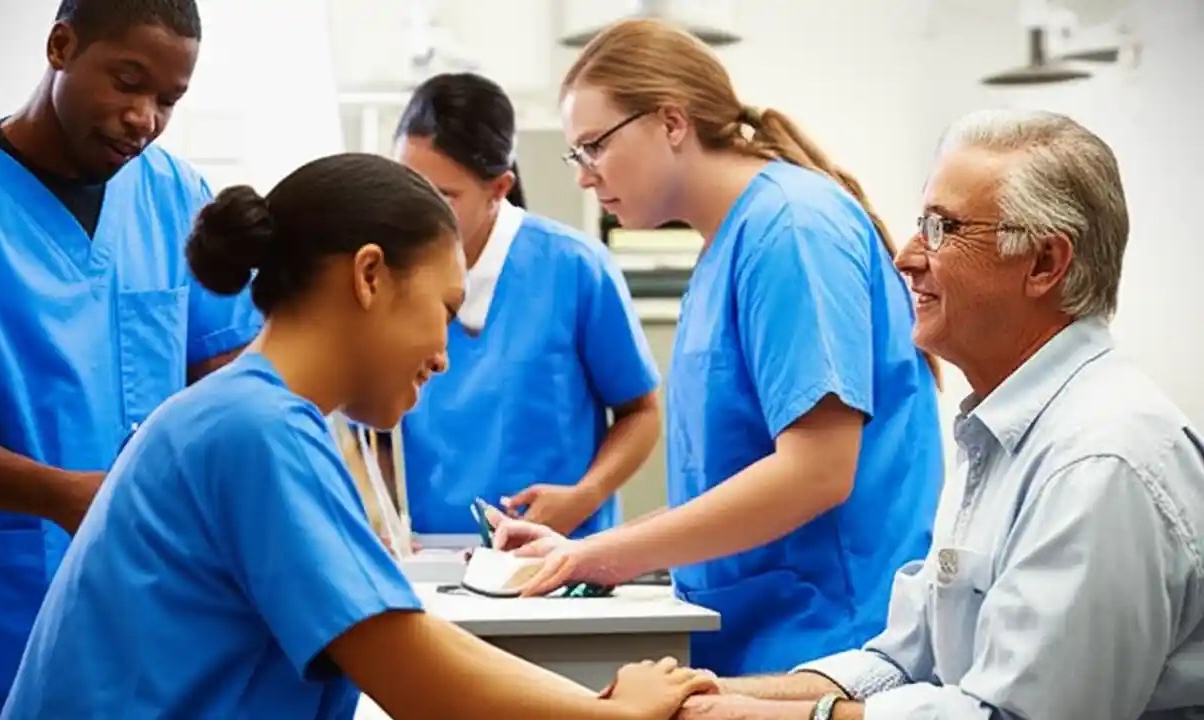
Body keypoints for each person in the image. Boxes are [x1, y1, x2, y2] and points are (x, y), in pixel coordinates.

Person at [0, 152, 715, 719]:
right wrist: (610, 717)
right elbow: (413, 675)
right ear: (370, 275)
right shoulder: (255, 430)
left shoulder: (243, 415)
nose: (443, 354)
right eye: (443, 308)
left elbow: (402, 633)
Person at [671, 110, 1204, 720]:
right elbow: (899, 664)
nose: (906, 257)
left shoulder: (1102, 464)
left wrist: (742, 715)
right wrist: (705, 694)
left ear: (1044, 263)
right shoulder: (1000, 436)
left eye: (943, 229)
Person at [487, 17, 945, 677]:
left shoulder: (792, 229)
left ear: (672, 123)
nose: (585, 176)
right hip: (755, 642)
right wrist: (589, 550)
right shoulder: (726, 245)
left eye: (593, 147)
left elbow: (816, 470)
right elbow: (732, 484)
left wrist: (612, 554)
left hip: (832, 645)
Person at [0, 1, 261, 717]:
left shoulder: (177, 197)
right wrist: (58, 495)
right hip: (8, 600)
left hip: (155, 589)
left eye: (168, 100)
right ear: (61, 46)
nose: (145, 117)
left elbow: (226, 368)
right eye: (127, 83)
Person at [392, 72, 662, 539]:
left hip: (561, 553)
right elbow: (372, 428)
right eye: (404, 186)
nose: (414, 212)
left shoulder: (574, 267)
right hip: (431, 556)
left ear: (499, 188)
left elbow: (642, 413)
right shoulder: (390, 272)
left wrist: (585, 496)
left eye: (442, 197)